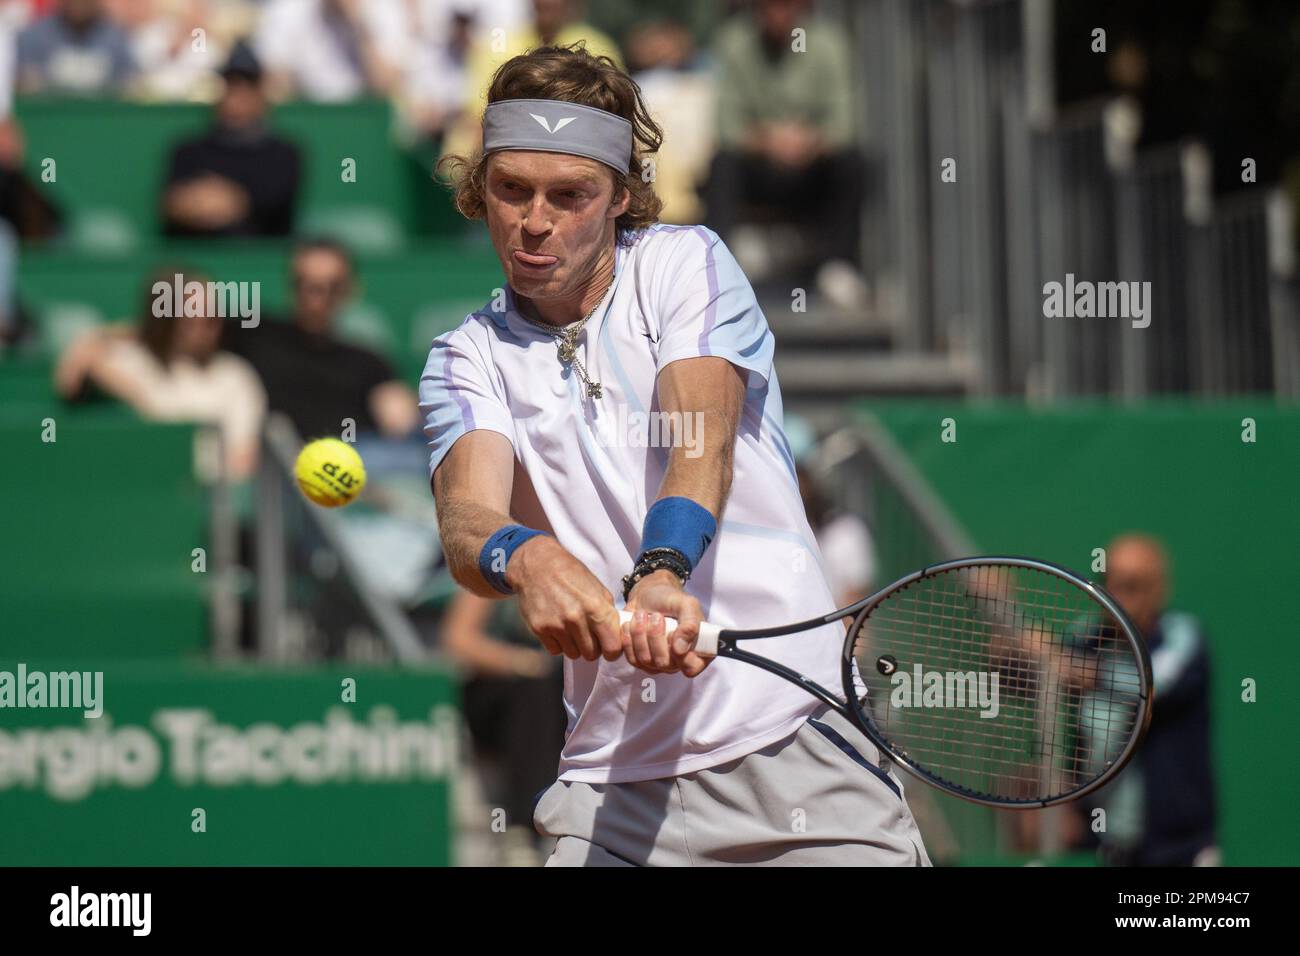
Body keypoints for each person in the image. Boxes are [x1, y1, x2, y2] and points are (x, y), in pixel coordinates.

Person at [420, 43, 930, 866]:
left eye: (569, 194)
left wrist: (661, 572)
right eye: (511, 190)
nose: (535, 220)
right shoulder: (462, 357)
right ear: (482, 193)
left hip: (794, 744)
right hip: (612, 783)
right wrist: (527, 555)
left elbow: (700, 443)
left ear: (621, 196)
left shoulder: (684, 262)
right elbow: (466, 520)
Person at [703, 0, 869, 310]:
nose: (778, 14)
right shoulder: (734, 43)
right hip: (760, 165)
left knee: (852, 164)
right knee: (722, 165)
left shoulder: (830, 44)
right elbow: (727, 128)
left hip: (813, 166)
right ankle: (720, 266)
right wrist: (770, 140)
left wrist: (807, 142)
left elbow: (845, 126)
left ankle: (838, 265)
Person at [54, 267, 267, 480]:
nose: (207, 328)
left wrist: (142, 398)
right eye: (193, 316)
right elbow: (71, 376)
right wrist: (133, 335)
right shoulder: (132, 361)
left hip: (205, 497)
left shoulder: (234, 375)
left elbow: (242, 462)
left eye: (213, 317)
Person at [1085, 533, 1219, 866]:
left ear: (1157, 590)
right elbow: (1023, 676)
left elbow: (1152, 688)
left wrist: (1060, 663)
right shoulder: (1084, 640)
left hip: (1181, 850)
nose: (1114, 598)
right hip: (1107, 848)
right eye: (1108, 584)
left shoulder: (1184, 638)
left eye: (1129, 586)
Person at [223, 237, 419, 441]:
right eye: (307, 285)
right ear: (291, 285)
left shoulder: (368, 362)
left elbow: (401, 421)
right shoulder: (254, 336)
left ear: (350, 289)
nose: (318, 297)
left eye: (332, 286)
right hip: (274, 464)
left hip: (352, 462)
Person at [441, 588, 566, 866]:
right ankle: (524, 829)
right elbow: (458, 639)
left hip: (556, 700)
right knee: (535, 688)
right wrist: (520, 662)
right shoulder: (496, 567)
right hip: (495, 699)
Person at [161, 40, 301, 237]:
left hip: (257, 258)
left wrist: (231, 201)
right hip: (189, 258)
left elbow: (273, 204)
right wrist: (199, 204)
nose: (235, 98)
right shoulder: (188, 150)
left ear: (261, 95)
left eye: (246, 88)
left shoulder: (284, 153)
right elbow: (172, 203)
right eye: (230, 87)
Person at [15, 0, 136, 96]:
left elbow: (132, 82)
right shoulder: (33, 36)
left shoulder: (116, 38)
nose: (79, 4)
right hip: (50, 119)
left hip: (100, 119)